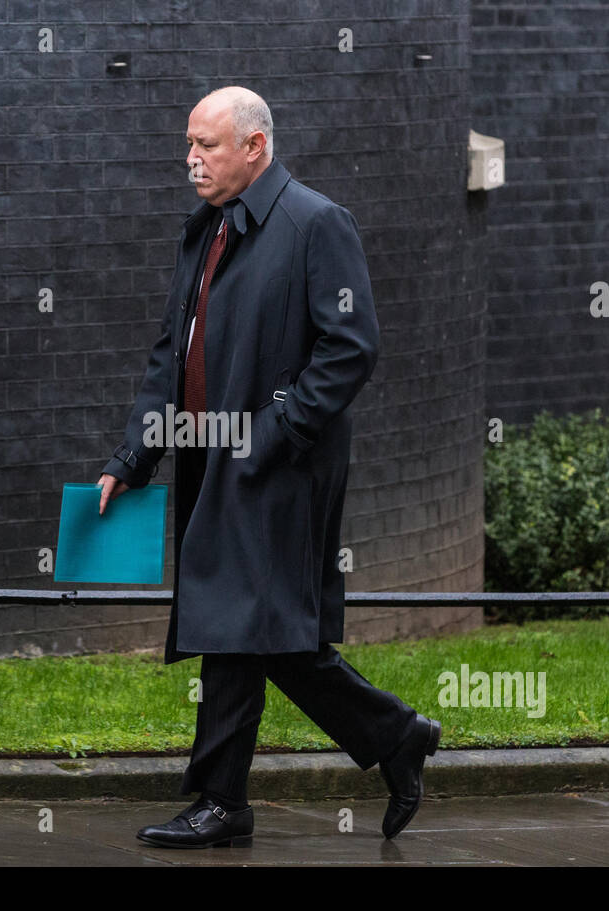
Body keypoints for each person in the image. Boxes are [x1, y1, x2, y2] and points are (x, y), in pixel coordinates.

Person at [98, 86, 439, 848]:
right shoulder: (206, 231)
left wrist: (269, 433)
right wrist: (134, 457)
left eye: (207, 147)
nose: (191, 160)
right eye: (188, 146)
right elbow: (170, 356)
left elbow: (351, 348)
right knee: (252, 631)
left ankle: (230, 800)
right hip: (208, 461)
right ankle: (388, 740)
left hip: (277, 468)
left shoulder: (317, 224)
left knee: (247, 627)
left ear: (254, 147)